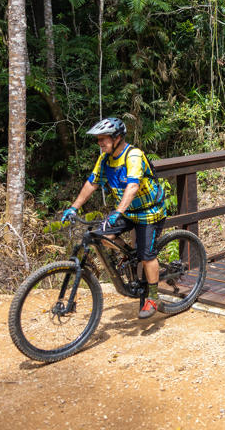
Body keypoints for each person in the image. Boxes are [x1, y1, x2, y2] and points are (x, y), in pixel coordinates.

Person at [61, 117, 167, 319]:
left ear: (117, 138)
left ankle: (153, 297)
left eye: (104, 139)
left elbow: (133, 186)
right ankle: (128, 253)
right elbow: (92, 183)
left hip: (149, 212)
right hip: (127, 211)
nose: (100, 143)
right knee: (101, 235)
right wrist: (74, 207)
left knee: (147, 256)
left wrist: (118, 211)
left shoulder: (133, 155)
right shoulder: (104, 159)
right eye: (99, 139)